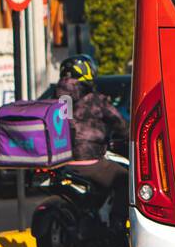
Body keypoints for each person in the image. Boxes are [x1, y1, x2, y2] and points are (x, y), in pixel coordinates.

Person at [50, 55, 128, 223]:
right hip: (88, 160)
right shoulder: (94, 100)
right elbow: (120, 123)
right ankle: (116, 222)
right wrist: (128, 136)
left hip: (59, 162)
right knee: (125, 181)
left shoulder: (54, 99)